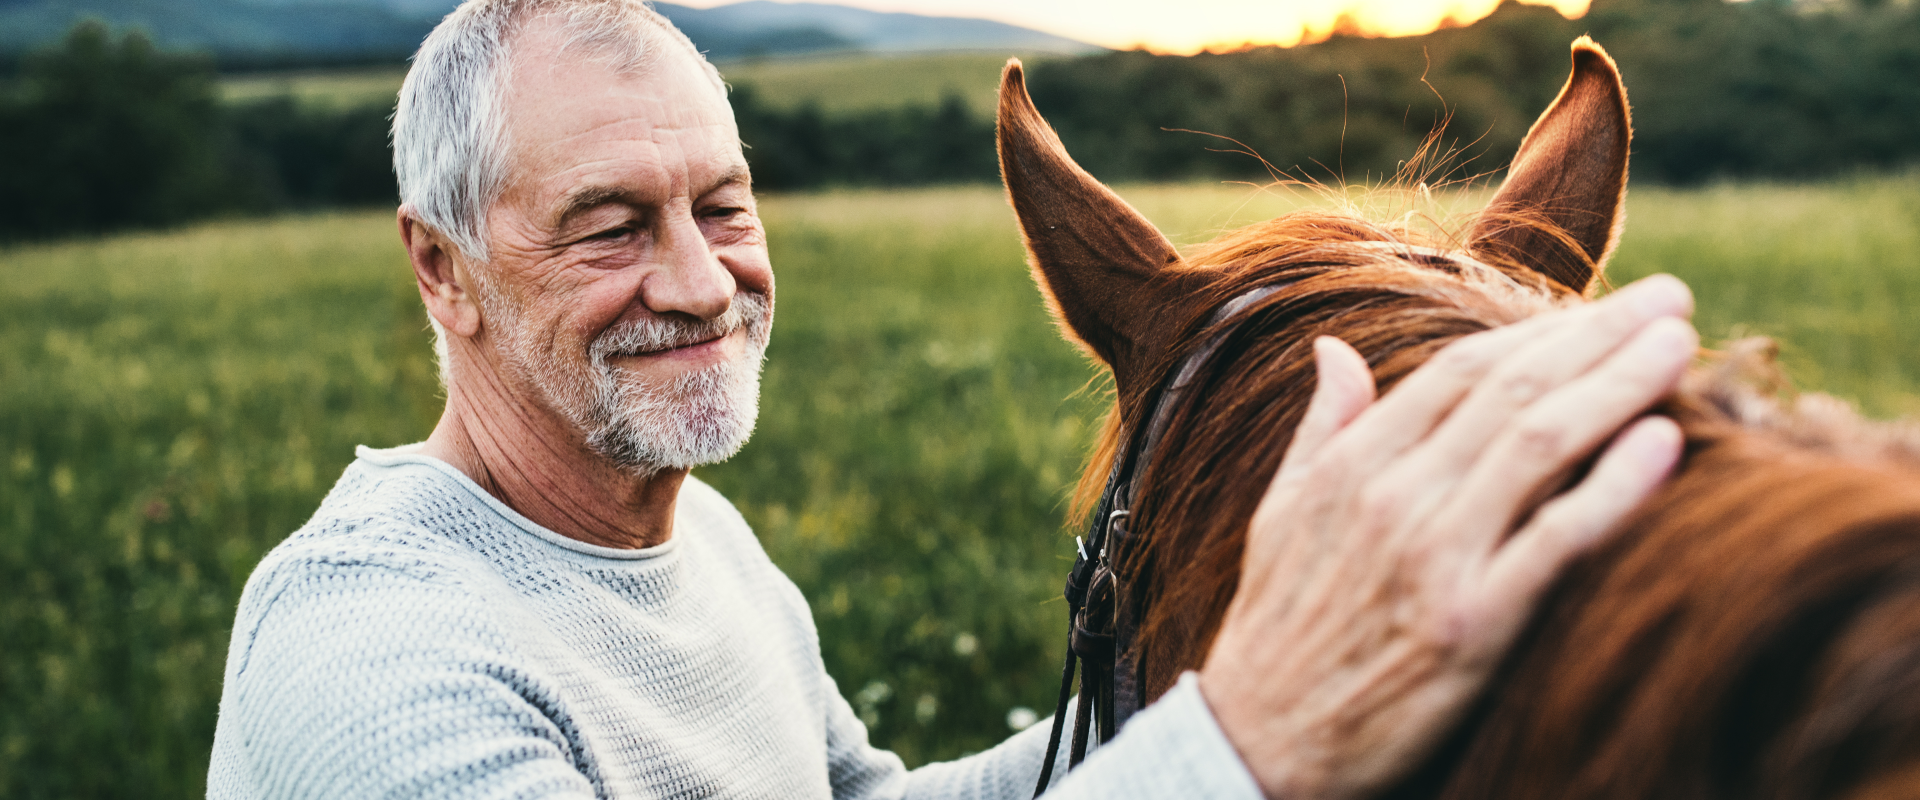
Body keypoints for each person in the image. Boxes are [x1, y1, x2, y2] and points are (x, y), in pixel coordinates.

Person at [206, 1, 1700, 797]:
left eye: (723, 208)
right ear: (442, 269)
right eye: (609, 224)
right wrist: (1243, 738)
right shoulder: (373, 655)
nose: (700, 280)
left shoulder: (702, 547)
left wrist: (1188, 679)